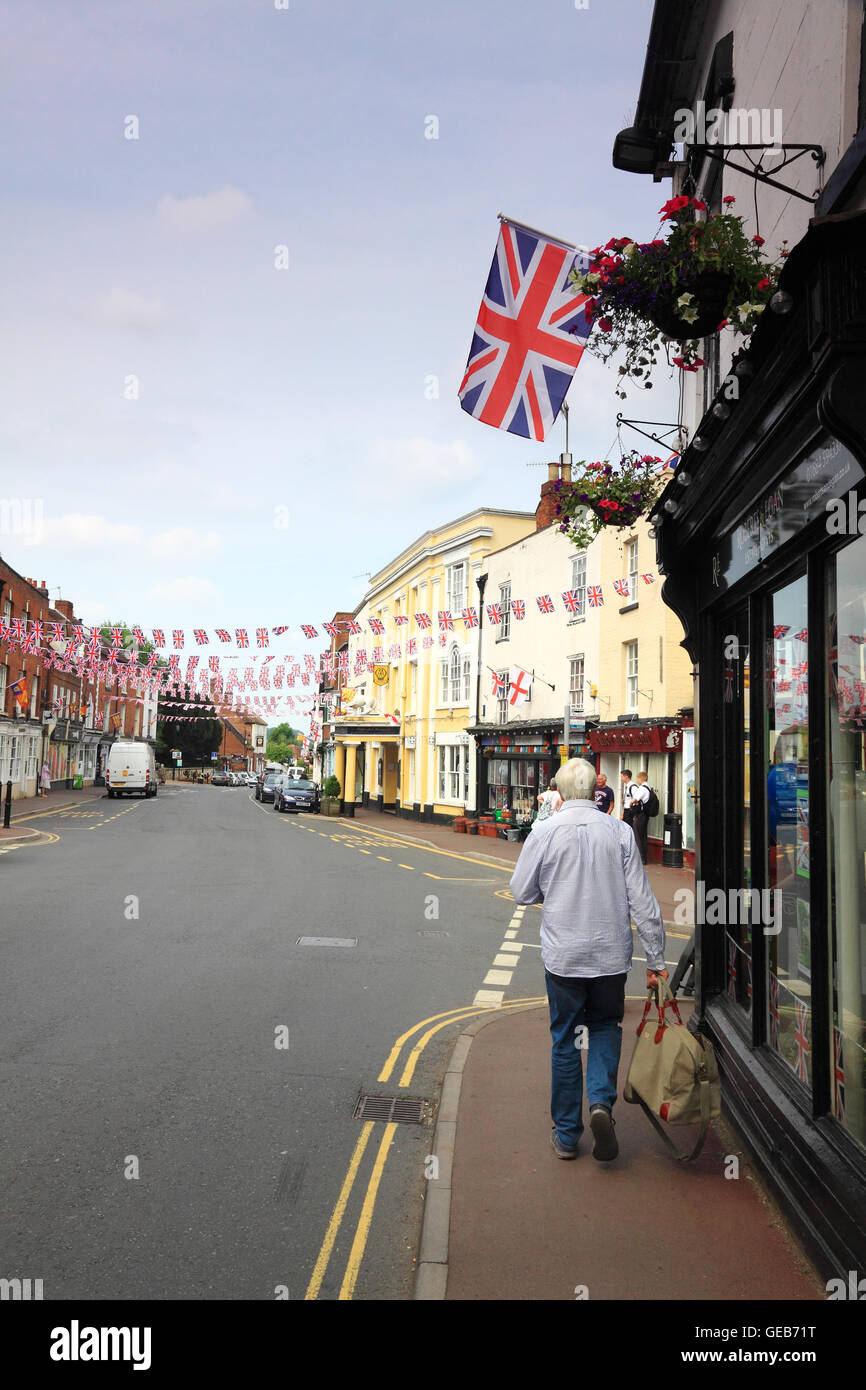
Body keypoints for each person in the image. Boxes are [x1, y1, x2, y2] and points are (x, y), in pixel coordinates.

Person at [510, 758, 667, 1162]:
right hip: (611, 958)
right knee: (604, 1028)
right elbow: (643, 902)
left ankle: (566, 1136)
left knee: (564, 1041)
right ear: (595, 792)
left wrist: (556, 889)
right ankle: (600, 1104)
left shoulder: (544, 832)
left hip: (564, 958)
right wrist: (656, 960)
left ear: (560, 792)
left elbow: (522, 892)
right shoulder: (618, 832)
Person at [623, 769, 651, 863]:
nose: (637, 780)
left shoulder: (642, 788)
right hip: (646, 814)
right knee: (643, 835)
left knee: (637, 835)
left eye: (638, 778)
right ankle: (644, 858)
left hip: (640, 814)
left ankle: (640, 858)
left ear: (641, 778)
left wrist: (630, 805)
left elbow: (634, 799)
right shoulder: (648, 787)